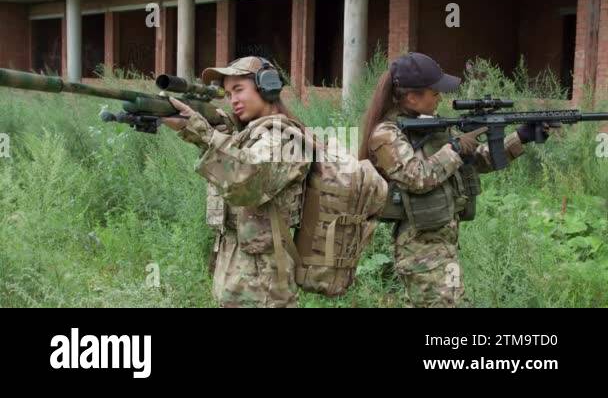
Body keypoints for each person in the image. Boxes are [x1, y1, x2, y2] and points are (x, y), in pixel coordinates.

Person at [359, 52, 556, 308]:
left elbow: (481, 159)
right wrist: (454, 149)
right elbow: (416, 177)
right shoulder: (386, 134)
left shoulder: (432, 127)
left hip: (443, 246)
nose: (440, 97)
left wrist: (522, 136)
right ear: (411, 97)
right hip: (420, 251)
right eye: (434, 92)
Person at [163, 56, 310, 308]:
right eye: (229, 93)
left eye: (239, 89)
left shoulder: (284, 138)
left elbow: (246, 182)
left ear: (267, 86)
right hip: (237, 283)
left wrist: (203, 134)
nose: (233, 100)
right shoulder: (248, 135)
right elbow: (235, 152)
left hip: (265, 291)